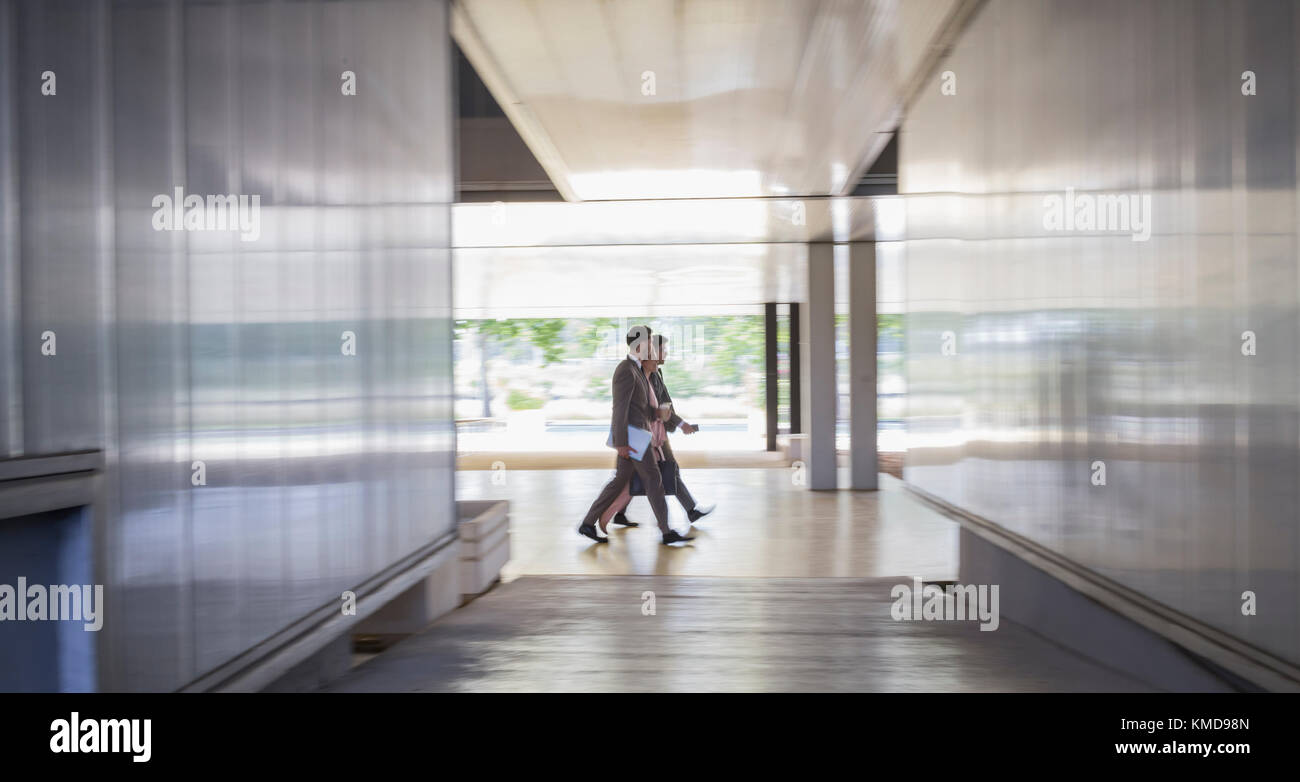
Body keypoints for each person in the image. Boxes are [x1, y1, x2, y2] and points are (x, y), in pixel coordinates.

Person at [577, 326, 695, 545]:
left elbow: (638, 408)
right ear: (640, 345)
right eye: (650, 342)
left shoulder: (637, 370)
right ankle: (666, 531)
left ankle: (587, 523)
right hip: (633, 438)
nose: (652, 346)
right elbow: (619, 409)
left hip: (638, 435)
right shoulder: (626, 370)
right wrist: (621, 443)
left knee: (619, 481)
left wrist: (657, 413)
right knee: (654, 480)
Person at [605, 333, 715, 529]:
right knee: (660, 472)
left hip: (651, 431)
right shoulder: (641, 372)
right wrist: (680, 424)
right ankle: (684, 515)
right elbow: (648, 408)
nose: (664, 353)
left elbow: (661, 406)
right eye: (661, 349)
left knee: (638, 475)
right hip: (648, 433)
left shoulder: (653, 372)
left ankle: (620, 514)